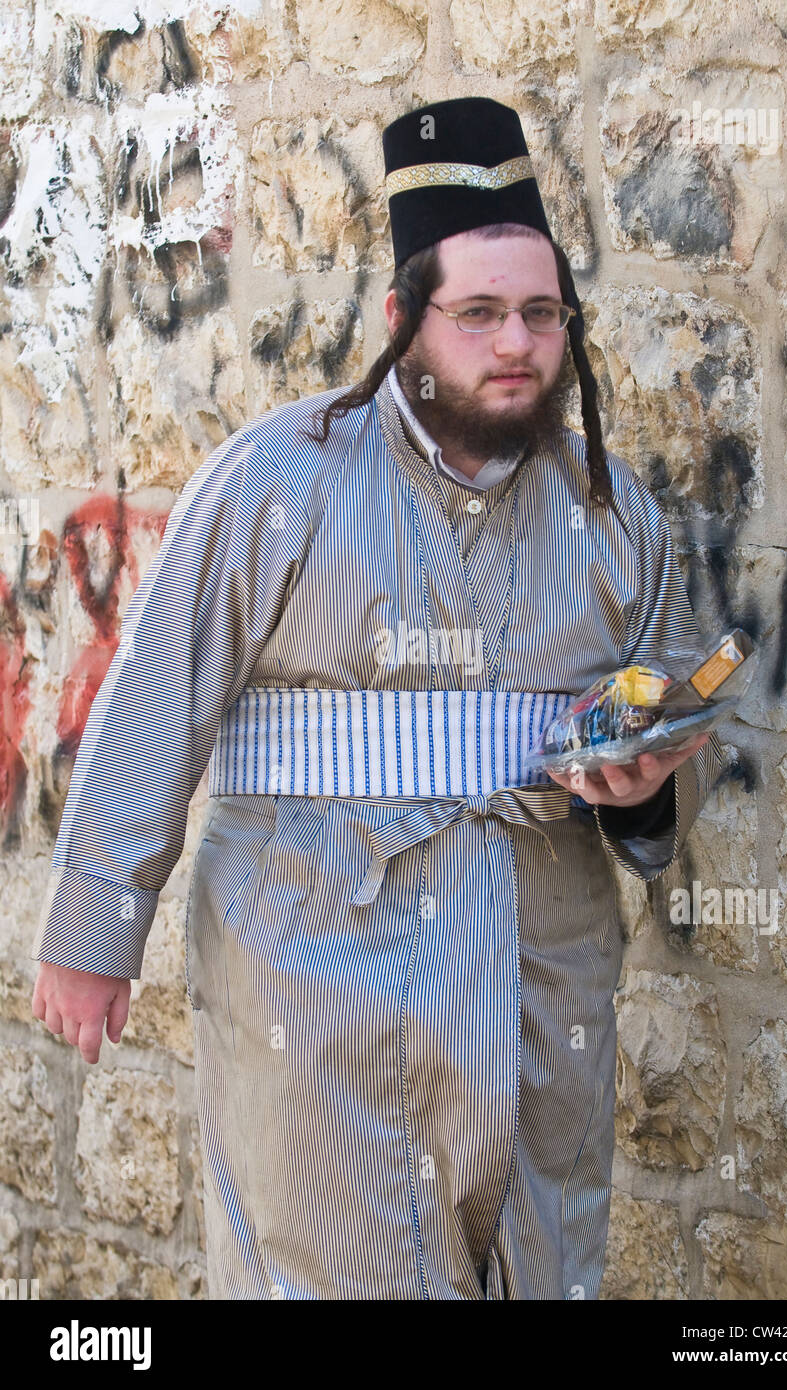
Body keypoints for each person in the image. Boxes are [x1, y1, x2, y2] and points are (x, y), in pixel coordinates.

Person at [31, 96, 725, 1300]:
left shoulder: (615, 515)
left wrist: (643, 788)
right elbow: (157, 696)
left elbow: (664, 713)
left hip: (539, 968)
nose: (515, 343)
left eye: (540, 314)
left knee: (542, 1275)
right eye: (478, 314)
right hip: (316, 967)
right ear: (403, 320)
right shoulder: (277, 478)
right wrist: (96, 932)